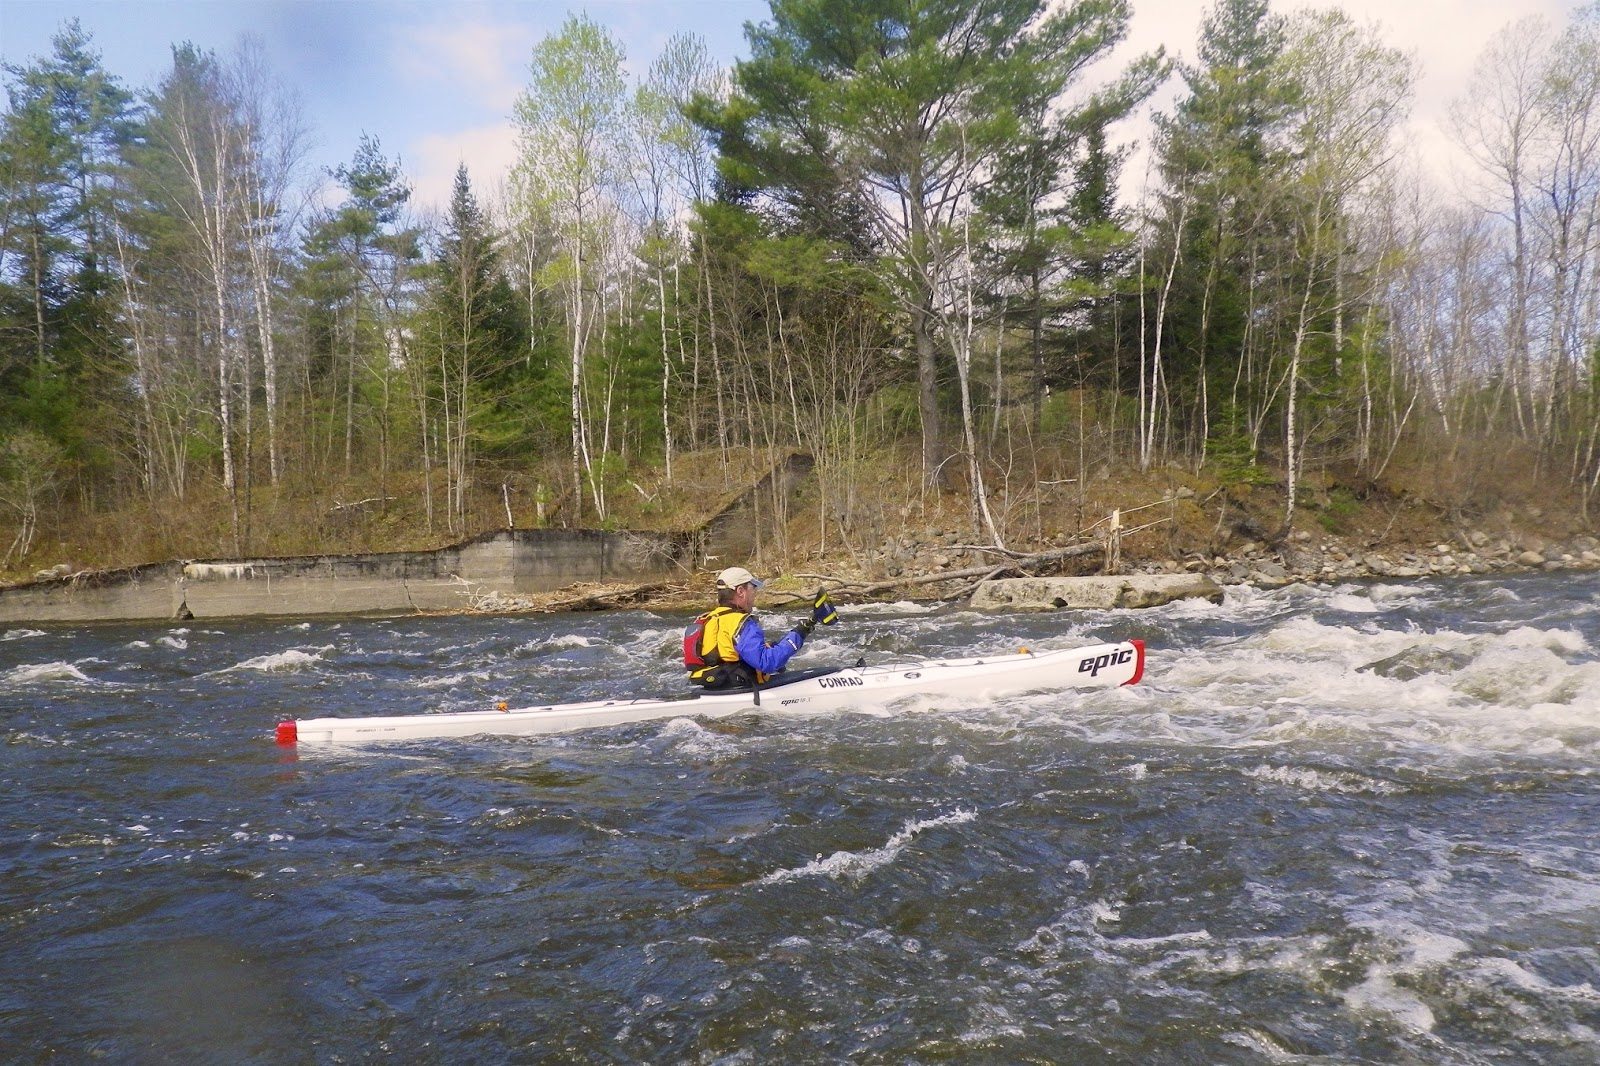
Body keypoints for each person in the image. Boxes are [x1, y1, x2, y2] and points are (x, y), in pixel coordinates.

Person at [684, 566, 836, 689]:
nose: (755, 594)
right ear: (741, 592)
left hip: (715, 689)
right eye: (753, 589)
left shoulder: (708, 619)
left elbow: (731, 654)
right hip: (741, 693)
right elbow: (767, 663)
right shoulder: (741, 623)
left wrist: (775, 645)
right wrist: (800, 633)